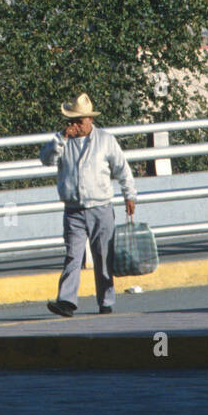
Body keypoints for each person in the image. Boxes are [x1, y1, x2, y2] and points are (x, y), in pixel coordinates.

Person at [40, 93, 136, 317]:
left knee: (103, 256)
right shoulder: (63, 140)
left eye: (79, 121)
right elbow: (46, 159)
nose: (75, 126)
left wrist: (129, 195)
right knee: (73, 255)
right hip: (74, 209)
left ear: (90, 120)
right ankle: (66, 301)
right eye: (72, 121)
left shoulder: (105, 140)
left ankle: (106, 300)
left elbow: (123, 169)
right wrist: (61, 139)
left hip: (100, 207)